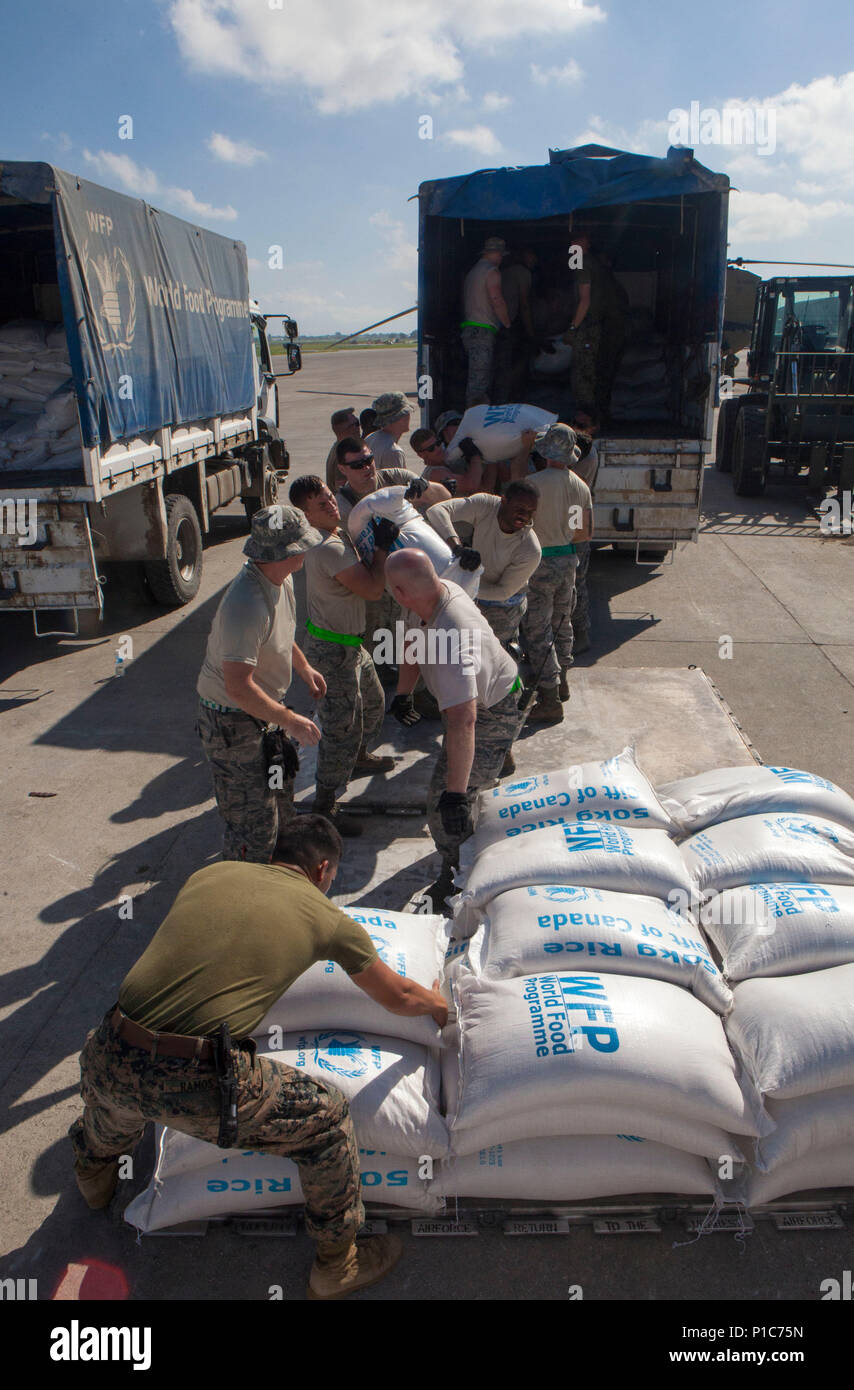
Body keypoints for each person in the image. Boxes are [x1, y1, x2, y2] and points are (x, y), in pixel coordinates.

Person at [68, 816, 448, 1300]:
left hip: (108, 1045)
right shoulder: (327, 917)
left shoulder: (210, 875)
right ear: (323, 868)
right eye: (330, 877)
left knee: (120, 1101)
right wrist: (437, 1005)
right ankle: (338, 1264)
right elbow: (397, 997)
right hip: (195, 1075)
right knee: (327, 1120)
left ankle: (93, 1173)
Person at [385, 550, 525, 909]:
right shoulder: (437, 590)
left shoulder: (453, 643)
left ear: (400, 592)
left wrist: (455, 794)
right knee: (459, 792)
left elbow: (464, 720)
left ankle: (463, 879)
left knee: (445, 807)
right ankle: (466, 853)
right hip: (482, 692)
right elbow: (413, 642)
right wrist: (403, 694)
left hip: (491, 708)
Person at [196, 505, 324, 863]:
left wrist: (304, 668)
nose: (306, 550)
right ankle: (241, 896)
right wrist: (290, 720)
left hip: (262, 714)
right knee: (253, 826)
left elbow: (279, 635)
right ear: (285, 551)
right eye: (301, 545)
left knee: (281, 804)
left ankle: (277, 879)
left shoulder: (279, 581)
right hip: (233, 723)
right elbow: (237, 687)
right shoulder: (247, 604)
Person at [289, 475, 398, 835]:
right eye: (321, 504)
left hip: (351, 644)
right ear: (305, 514)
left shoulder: (336, 534)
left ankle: (359, 757)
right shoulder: (328, 548)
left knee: (373, 703)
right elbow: (370, 589)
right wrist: (382, 550)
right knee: (340, 729)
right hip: (332, 650)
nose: (331, 505)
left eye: (330, 498)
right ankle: (324, 804)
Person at [334, 436, 451, 695]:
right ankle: (381, 683)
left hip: (415, 575)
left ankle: (420, 690)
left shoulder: (395, 478)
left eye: (369, 460)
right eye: (357, 465)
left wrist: (425, 489)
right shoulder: (342, 504)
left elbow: (445, 496)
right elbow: (341, 553)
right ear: (342, 469)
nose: (367, 468)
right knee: (377, 641)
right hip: (376, 577)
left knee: (419, 633)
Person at [521, 424, 594, 723]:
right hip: (567, 561)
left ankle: (548, 697)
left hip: (537, 562)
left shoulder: (531, 484)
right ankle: (561, 679)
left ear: (544, 451)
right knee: (562, 622)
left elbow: (518, 526)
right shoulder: (579, 486)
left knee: (537, 630)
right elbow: (583, 533)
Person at [425, 481, 542, 650]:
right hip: (473, 593)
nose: (524, 516)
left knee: (496, 660)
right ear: (504, 501)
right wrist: (457, 547)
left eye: (530, 512)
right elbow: (436, 511)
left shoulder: (530, 550)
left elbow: (503, 591)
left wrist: (460, 589)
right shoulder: (485, 504)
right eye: (520, 508)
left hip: (503, 607)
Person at [562, 229, 628, 427]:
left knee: (583, 373)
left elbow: (585, 300)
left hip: (589, 326)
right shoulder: (592, 265)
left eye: (582, 240)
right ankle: (595, 416)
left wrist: (573, 329)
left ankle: (586, 421)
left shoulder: (582, 264)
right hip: (600, 326)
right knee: (594, 373)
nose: (585, 244)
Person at [460, 236, 511, 406]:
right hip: (482, 331)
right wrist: (507, 323)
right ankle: (476, 421)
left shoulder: (473, 272)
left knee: (477, 378)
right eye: (501, 255)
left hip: (470, 330)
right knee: (479, 384)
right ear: (496, 253)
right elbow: (496, 299)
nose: (502, 259)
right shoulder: (491, 272)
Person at [494, 247, 538, 401]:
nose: (535, 260)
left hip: (496, 326)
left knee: (499, 367)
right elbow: (524, 304)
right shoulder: (522, 273)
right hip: (507, 325)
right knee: (510, 368)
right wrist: (531, 334)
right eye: (532, 255)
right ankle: (507, 401)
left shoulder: (504, 272)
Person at [569, 429, 599, 652]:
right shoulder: (590, 457)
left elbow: (579, 528)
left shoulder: (577, 481)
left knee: (575, 584)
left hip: (574, 531)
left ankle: (579, 633)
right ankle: (579, 632)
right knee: (576, 584)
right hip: (576, 532)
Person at [410, 427, 491, 496]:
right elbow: (471, 485)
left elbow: (484, 488)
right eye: (431, 448)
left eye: (438, 443)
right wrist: (475, 456)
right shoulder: (435, 473)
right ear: (421, 455)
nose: (438, 449)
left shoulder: (448, 464)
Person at [364, 391, 413, 470]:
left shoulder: (370, 438)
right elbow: (398, 482)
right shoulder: (393, 452)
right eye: (405, 413)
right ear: (395, 418)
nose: (408, 416)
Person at [325, 406, 361, 489]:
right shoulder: (344, 453)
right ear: (346, 428)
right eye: (356, 423)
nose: (359, 427)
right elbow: (341, 487)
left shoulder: (338, 447)